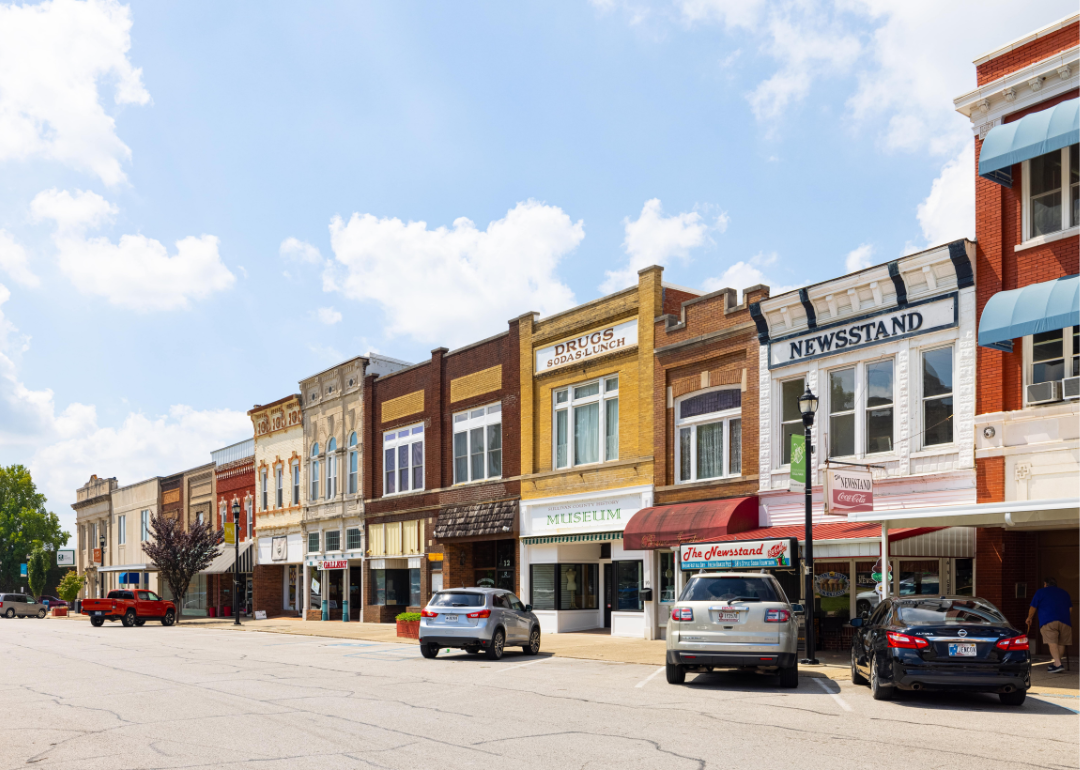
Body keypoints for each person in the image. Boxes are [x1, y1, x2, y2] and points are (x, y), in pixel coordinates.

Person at [1027, 578, 1073, 674]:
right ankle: (1057, 664)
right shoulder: (1064, 593)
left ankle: (1057, 663)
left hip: (1048, 620)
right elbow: (1070, 609)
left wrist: (1029, 618)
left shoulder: (1040, 592)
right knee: (1061, 643)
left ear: (1045, 584)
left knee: (1052, 642)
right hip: (1065, 621)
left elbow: (1033, 606)